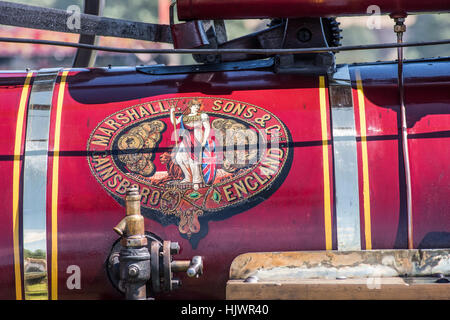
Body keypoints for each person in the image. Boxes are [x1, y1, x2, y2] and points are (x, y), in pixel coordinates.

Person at [170, 99, 212, 190]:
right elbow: (174, 122)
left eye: (198, 105)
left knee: (194, 161)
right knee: (179, 158)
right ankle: (188, 177)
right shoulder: (184, 117)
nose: (197, 107)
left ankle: (197, 181)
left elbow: (207, 128)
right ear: (190, 106)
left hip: (197, 140)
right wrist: (171, 112)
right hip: (186, 140)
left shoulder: (203, 116)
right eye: (195, 105)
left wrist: (204, 140)